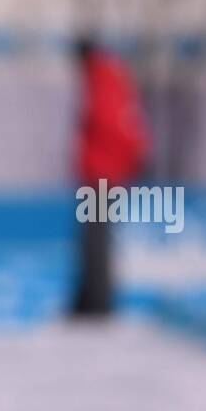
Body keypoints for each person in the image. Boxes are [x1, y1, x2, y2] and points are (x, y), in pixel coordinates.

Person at [71, 36, 148, 317]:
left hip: (101, 176)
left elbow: (111, 126)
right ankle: (90, 300)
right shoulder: (112, 77)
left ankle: (96, 303)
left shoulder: (101, 80)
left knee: (96, 242)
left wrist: (116, 163)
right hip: (105, 173)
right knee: (94, 240)